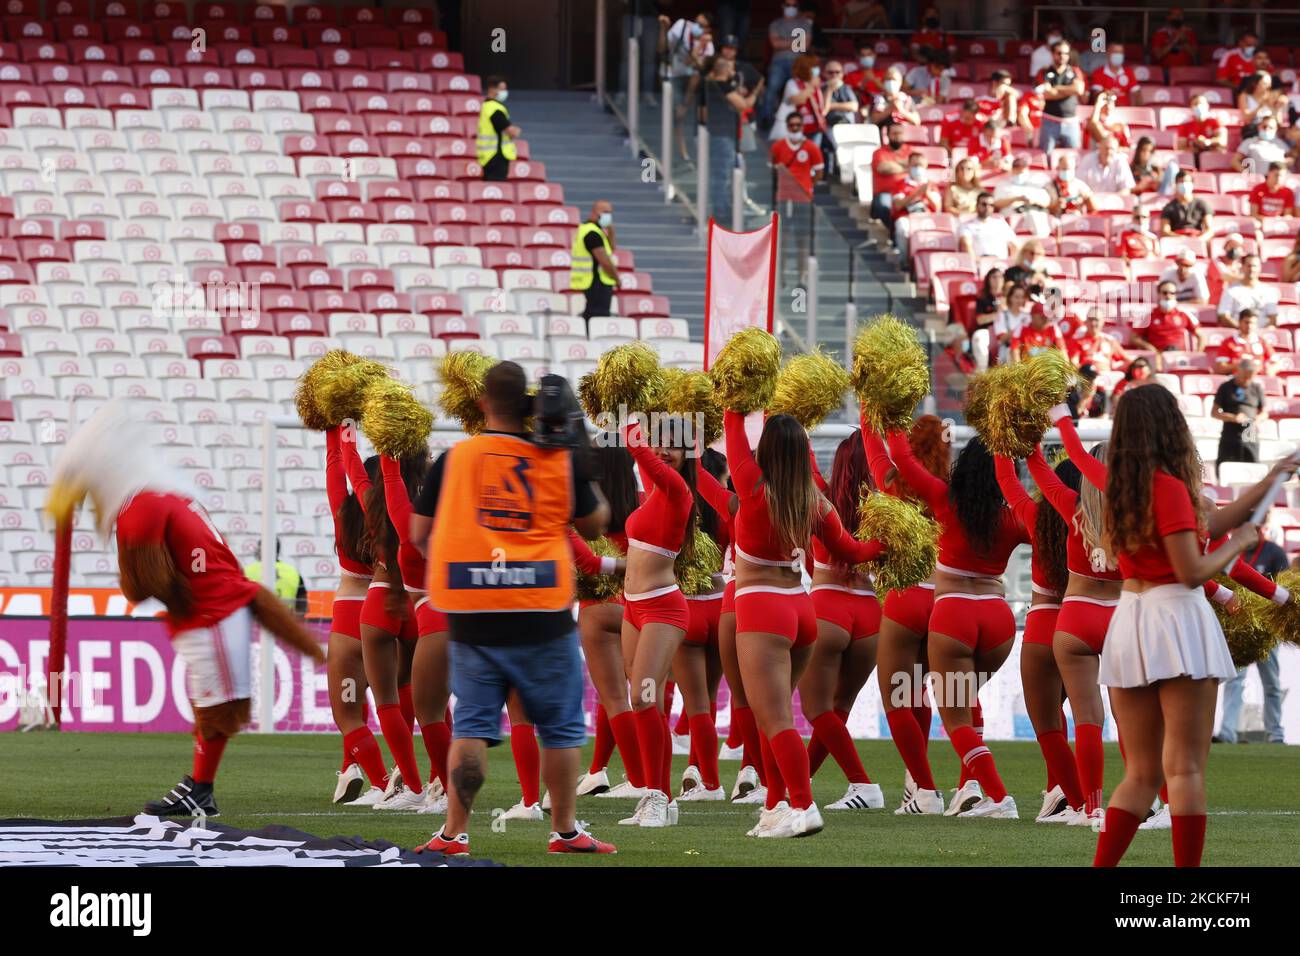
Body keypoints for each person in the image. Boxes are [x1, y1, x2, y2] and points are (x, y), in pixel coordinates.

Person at [1050, 389, 1293, 867]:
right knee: (1183, 771)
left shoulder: (1114, 485)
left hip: (1132, 618)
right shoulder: (1169, 488)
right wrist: (1239, 544)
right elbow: (1193, 569)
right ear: (1171, 428)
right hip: (1177, 620)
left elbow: (1210, 520)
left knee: (1140, 773)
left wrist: (1269, 479)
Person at [45, 404, 324, 817]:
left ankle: (202, 789)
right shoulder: (165, 494)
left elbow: (143, 585)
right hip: (212, 604)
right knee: (208, 704)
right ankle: (199, 785)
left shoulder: (138, 506)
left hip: (213, 609)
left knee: (215, 708)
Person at [417, 363, 616, 856]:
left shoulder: (453, 459)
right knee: (560, 728)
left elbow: (419, 537)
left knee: (471, 726)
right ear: (529, 407)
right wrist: (579, 448)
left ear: (482, 403)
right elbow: (595, 525)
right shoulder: (555, 459)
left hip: (472, 610)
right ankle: (565, 831)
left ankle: (453, 834)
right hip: (540, 610)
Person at [882, 423, 1031, 818]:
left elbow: (903, 460)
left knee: (955, 718)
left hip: (954, 616)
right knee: (967, 705)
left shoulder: (945, 499)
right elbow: (1055, 533)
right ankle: (969, 787)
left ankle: (998, 797)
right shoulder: (1014, 519)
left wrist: (885, 414)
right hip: (998, 622)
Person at [993, 450, 1083, 823]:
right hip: (1083, 623)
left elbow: (1008, 482)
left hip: (1045, 625)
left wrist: (1004, 442)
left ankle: (1081, 803)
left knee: (1046, 724)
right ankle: (1065, 793)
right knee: (1089, 720)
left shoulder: (1036, 517)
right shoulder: (1094, 525)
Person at [800, 436, 886, 809]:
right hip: (870, 614)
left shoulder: (821, 498)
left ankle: (863, 784)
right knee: (836, 710)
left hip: (827, 609)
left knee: (815, 709)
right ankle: (796, 787)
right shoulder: (887, 512)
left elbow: (807, 465)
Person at [322, 426, 388, 806]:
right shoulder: (391, 516)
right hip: (385, 611)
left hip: (349, 614)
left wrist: (337, 430)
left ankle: (383, 782)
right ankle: (350, 768)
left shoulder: (344, 512)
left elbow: (334, 468)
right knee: (396, 703)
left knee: (348, 711)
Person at [568, 446, 640, 798]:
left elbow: (581, 562)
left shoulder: (585, 512)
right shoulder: (640, 503)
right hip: (635, 607)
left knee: (614, 698)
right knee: (633, 696)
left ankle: (640, 780)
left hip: (597, 607)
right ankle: (598, 771)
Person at [1216, 535, 1290, 744]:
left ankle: (1276, 734)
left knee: (1272, 683)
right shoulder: (1231, 551)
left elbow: (1285, 583)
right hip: (1239, 627)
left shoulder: (1274, 553)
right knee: (1235, 680)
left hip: (1267, 628)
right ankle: (1227, 732)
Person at [702, 56, 759, 227]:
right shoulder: (722, 86)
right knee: (721, 176)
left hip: (718, 134)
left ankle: (724, 210)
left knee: (723, 174)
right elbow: (743, 104)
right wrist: (754, 93)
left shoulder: (708, 86)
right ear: (725, 70)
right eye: (730, 70)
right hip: (723, 136)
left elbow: (703, 113)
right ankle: (722, 213)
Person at [660, 11, 715, 163]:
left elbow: (691, 64)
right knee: (676, 117)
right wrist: (664, 28)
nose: (696, 27)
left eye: (701, 26)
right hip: (671, 74)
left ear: (708, 30)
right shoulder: (682, 26)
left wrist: (700, 45)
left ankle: (685, 152)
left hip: (690, 82)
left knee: (682, 114)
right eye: (696, 22)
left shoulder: (709, 47)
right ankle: (679, 151)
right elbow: (663, 48)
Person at [1212, 357, 1268, 475]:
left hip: (1250, 434)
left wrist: (1258, 419)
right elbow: (1215, 412)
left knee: (1252, 472)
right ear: (1239, 371)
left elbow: (1264, 412)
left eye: (1250, 377)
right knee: (1226, 471)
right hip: (1230, 436)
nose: (1247, 380)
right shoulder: (1225, 387)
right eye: (1245, 377)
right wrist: (1233, 417)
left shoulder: (1257, 388)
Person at [762, 3, 814, 127]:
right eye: (788, 4)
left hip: (798, 64)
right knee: (772, 90)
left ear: (798, 7)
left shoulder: (804, 24)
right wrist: (795, 41)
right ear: (782, 6)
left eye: (794, 5)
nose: (791, 7)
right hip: (778, 63)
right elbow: (775, 44)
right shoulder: (775, 24)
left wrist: (783, 42)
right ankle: (766, 119)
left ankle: (799, 121)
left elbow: (804, 46)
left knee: (797, 92)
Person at [570, 200, 620, 323]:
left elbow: (612, 248)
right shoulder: (592, 233)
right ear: (595, 212)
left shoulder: (594, 230)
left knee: (593, 317)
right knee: (598, 320)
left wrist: (611, 230)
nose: (609, 216)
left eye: (610, 213)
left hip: (594, 282)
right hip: (596, 283)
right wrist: (617, 278)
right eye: (606, 212)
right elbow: (605, 261)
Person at [1131, 280, 1204, 362]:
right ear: (1158, 294)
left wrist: (1197, 356)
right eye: (1165, 293)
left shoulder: (1184, 313)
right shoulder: (1148, 315)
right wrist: (1150, 348)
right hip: (1158, 357)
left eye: (1172, 293)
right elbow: (1134, 338)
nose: (1168, 296)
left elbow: (1201, 336)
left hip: (1180, 357)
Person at [1037, 39, 1086, 153]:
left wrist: (1057, 88)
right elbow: (1047, 94)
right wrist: (1070, 90)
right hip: (1049, 121)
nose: (1063, 56)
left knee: (1074, 157)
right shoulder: (1044, 71)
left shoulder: (1075, 71)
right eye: (1059, 53)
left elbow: (1079, 90)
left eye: (1066, 53)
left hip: (1071, 122)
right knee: (1046, 157)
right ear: (1053, 54)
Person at [891, 152, 940, 262]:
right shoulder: (901, 184)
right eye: (914, 165)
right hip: (907, 217)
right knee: (902, 228)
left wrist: (926, 194)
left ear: (926, 166)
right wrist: (917, 193)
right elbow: (898, 205)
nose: (918, 168)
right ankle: (906, 261)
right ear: (908, 166)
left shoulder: (931, 185)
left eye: (920, 165)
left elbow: (937, 208)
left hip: (927, 218)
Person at [770, 110, 824, 202]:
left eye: (798, 125)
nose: (795, 128)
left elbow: (819, 173)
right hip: (783, 196)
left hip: (804, 195)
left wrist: (807, 184)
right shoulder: (777, 147)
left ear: (803, 126)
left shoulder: (811, 147)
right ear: (787, 126)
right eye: (791, 125)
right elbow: (773, 170)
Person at [242, 539, 306, 616]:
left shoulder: (246, 571)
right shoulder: (293, 573)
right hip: (283, 620)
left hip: (255, 621)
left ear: (260, 550)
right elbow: (302, 606)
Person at [1217, 254, 1280, 328]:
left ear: (1260, 268)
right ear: (1242, 267)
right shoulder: (1231, 290)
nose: (1252, 269)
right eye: (1249, 266)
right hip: (1239, 335)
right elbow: (1224, 316)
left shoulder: (1269, 291)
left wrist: (1262, 334)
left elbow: (1273, 318)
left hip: (1262, 335)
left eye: (1255, 266)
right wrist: (1243, 330)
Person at [476, 76, 520, 182]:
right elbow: (511, 131)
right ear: (492, 89)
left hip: (488, 157)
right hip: (496, 157)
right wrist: (516, 131)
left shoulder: (486, 106)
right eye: (502, 89)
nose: (504, 92)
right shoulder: (494, 109)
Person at [869, 120, 913, 223]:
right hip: (885, 194)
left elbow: (919, 164)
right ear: (888, 135)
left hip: (905, 193)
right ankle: (893, 234)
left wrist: (893, 163)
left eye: (900, 133)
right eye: (894, 133)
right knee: (886, 206)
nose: (897, 136)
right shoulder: (879, 152)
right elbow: (883, 168)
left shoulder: (910, 151)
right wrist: (906, 167)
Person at [820, 60, 858, 175]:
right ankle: (835, 174)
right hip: (829, 126)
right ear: (824, 74)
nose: (834, 75)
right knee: (835, 143)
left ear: (842, 74)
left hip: (847, 125)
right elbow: (823, 110)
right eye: (830, 72)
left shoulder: (846, 88)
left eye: (837, 72)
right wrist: (830, 90)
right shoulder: (821, 89)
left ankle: (847, 176)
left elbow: (854, 106)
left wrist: (832, 106)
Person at [1213, 309, 1278, 374]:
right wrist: (1240, 367)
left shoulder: (1262, 342)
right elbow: (1221, 368)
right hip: (1236, 380)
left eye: (1252, 323)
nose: (1249, 326)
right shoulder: (1228, 342)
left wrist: (1271, 370)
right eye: (1246, 322)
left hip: (1259, 379)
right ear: (1239, 322)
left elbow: (1277, 362)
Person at [957, 192, 1017, 259]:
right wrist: (976, 262)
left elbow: (1014, 246)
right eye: (984, 204)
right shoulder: (967, 225)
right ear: (977, 205)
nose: (987, 207)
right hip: (980, 263)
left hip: (1001, 263)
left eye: (991, 205)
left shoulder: (1001, 223)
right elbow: (966, 246)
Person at [1160, 170, 1213, 239]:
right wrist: (1180, 238)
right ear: (1176, 185)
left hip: (1197, 238)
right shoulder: (1169, 207)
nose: (1184, 184)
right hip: (1177, 241)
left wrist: (1200, 240)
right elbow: (1164, 231)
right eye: (1181, 182)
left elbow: (1209, 230)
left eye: (1187, 181)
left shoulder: (1202, 204)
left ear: (1192, 184)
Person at [970, 267, 1005, 370]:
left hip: (1005, 331)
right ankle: (983, 375)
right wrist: (997, 315)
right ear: (988, 280)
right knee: (979, 340)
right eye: (994, 277)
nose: (997, 280)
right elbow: (979, 320)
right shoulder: (982, 298)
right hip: (987, 331)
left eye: (1000, 277)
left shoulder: (1009, 296)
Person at [1090, 41, 1142, 106]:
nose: (1118, 55)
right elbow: (1095, 95)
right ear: (1108, 53)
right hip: (1106, 111)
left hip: (1126, 112)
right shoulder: (1098, 72)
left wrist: (1136, 110)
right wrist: (1106, 94)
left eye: (1121, 52)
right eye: (1115, 52)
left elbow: (1137, 94)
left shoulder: (1129, 72)